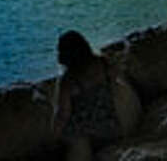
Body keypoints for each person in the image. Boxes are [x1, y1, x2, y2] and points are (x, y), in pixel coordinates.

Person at [50, 30, 139, 160]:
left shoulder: (68, 80)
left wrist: (52, 137)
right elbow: (118, 81)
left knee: (67, 134)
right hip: (112, 126)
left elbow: (62, 113)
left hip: (88, 132)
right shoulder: (103, 63)